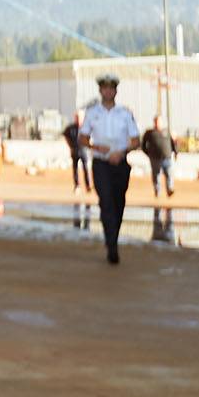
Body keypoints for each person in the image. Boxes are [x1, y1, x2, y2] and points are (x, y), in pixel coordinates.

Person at [80, 74, 141, 264]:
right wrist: (96, 147)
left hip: (120, 162)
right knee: (105, 201)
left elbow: (135, 140)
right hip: (100, 163)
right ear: (100, 91)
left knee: (118, 203)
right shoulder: (92, 113)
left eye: (111, 88)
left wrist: (121, 152)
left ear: (115, 91)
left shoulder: (124, 114)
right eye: (105, 88)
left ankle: (112, 238)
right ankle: (112, 245)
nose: (108, 91)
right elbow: (82, 137)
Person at [142, 117, 176, 197]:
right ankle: (157, 191)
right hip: (155, 158)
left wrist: (175, 152)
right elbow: (143, 144)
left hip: (167, 157)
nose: (157, 123)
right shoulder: (149, 133)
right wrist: (148, 154)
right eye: (156, 122)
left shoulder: (166, 131)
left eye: (159, 122)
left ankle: (169, 189)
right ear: (154, 122)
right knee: (156, 175)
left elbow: (172, 143)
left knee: (169, 174)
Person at [62, 113, 90, 192]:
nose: (78, 119)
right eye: (77, 118)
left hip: (83, 151)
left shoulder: (85, 128)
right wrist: (70, 145)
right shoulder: (71, 128)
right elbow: (65, 135)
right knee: (75, 169)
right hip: (74, 151)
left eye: (79, 118)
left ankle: (88, 186)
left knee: (85, 168)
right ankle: (77, 185)